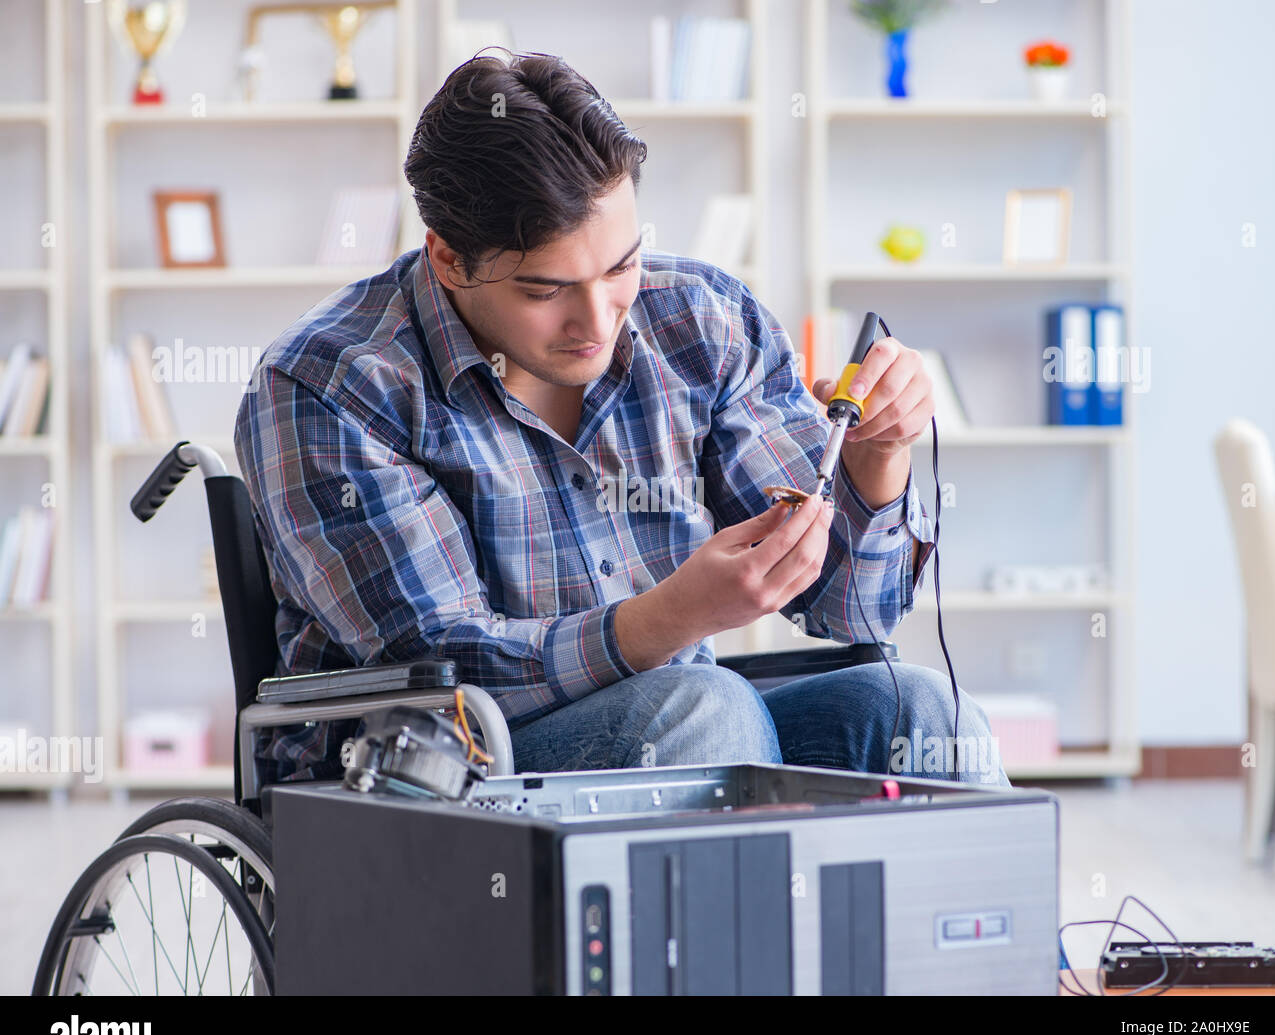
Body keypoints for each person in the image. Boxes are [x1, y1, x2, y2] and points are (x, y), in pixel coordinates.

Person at [233, 50, 1009, 789]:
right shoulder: (328, 386)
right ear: (447, 260)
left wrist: (878, 459)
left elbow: (851, 607)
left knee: (925, 715)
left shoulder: (703, 323)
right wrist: (668, 618)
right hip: (428, 776)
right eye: (545, 291)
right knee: (705, 711)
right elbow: (440, 681)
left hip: (681, 727)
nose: (598, 320)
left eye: (621, 265)